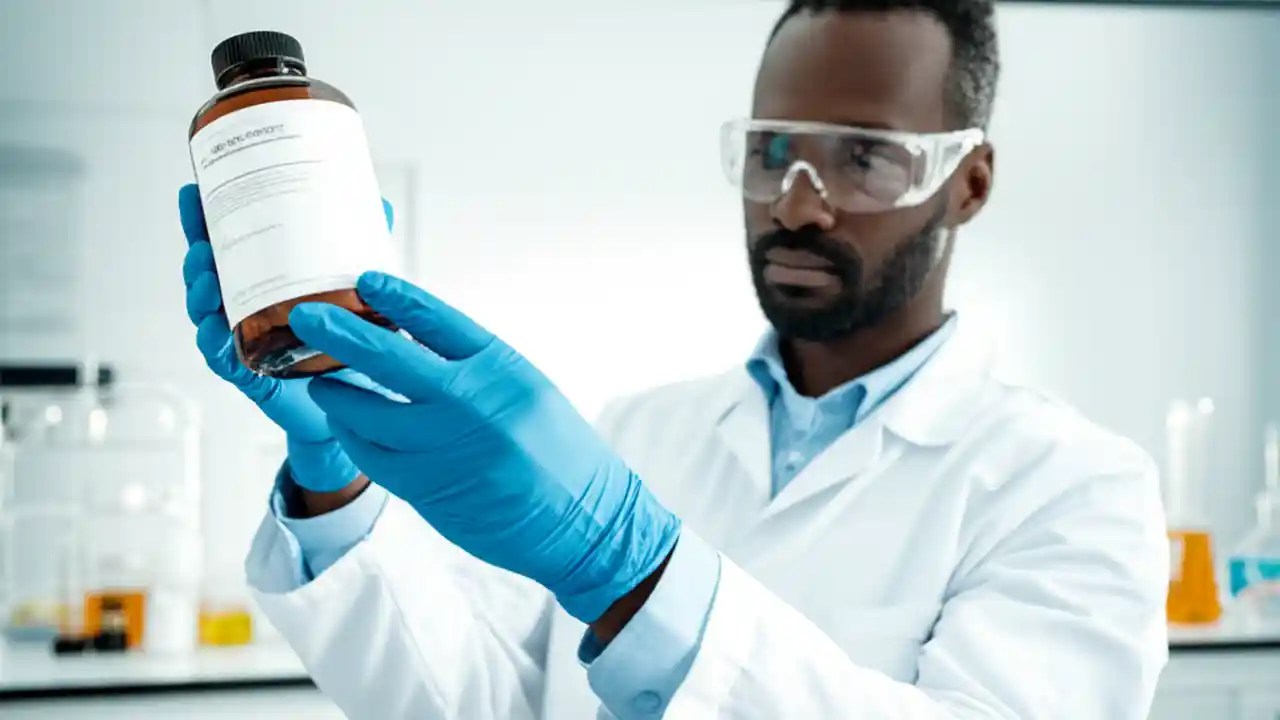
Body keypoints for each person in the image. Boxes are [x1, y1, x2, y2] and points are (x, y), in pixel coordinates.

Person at [178, 1, 1169, 717]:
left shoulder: (1074, 489)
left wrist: (635, 572)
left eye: (864, 157)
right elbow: (484, 704)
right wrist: (334, 476)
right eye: (772, 150)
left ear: (969, 183)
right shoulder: (642, 431)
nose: (795, 202)